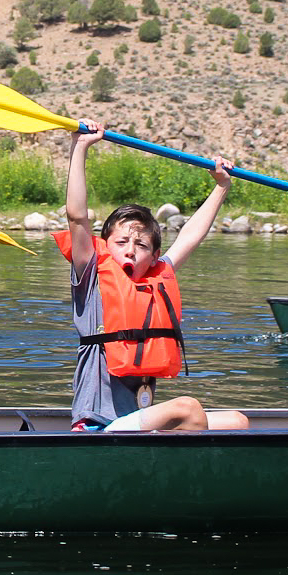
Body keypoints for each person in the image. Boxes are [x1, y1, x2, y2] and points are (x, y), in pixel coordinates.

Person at [62, 125, 248, 433]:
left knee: (237, 422)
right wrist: (80, 147)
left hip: (136, 424)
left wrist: (221, 187)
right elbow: (76, 216)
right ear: (106, 244)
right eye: (121, 243)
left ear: (154, 254)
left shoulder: (157, 275)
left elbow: (190, 236)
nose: (131, 251)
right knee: (188, 409)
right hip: (98, 427)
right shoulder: (91, 274)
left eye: (142, 245)